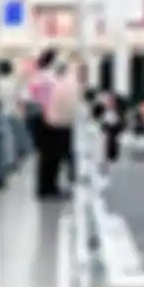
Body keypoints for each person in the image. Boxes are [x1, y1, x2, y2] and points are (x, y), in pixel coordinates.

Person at [44, 62, 83, 197]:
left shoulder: (59, 85)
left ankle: (51, 187)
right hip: (63, 125)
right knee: (62, 158)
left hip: (54, 125)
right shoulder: (70, 85)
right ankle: (60, 186)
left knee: (54, 160)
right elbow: (73, 108)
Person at [26, 48, 59, 197]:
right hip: (47, 118)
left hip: (40, 118)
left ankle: (46, 187)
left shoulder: (38, 77)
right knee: (50, 155)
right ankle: (48, 188)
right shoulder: (48, 78)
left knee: (46, 155)